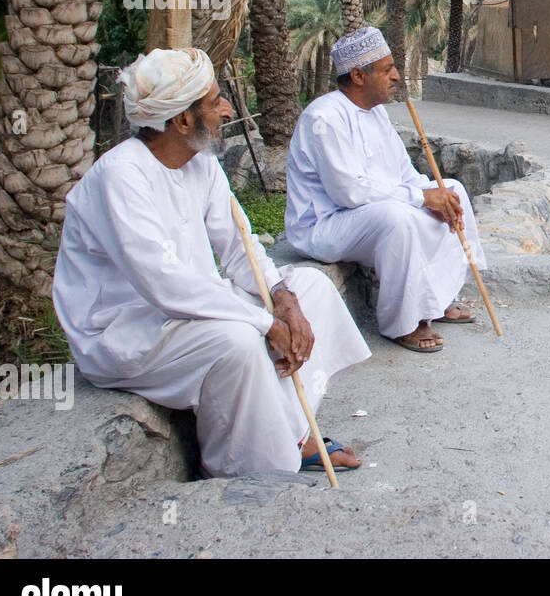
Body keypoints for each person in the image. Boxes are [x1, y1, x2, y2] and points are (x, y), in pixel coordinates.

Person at [54, 48, 371, 477]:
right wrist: (265, 323)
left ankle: (291, 431)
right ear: (183, 121)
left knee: (310, 288)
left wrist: (282, 298)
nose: (226, 109)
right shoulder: (120, 176)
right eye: (215, 101)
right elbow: (165, 285)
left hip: (185, 313)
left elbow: (239, 245)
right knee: (238, 341)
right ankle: (247, 467)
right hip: (125, 331)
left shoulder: (199, 163)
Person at [285, 27, 485, 353]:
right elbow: (347, 193)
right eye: (387, 69)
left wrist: (435, 193)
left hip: (369, 213)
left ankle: (436, 300)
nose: (396, 76)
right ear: (358, 76)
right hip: (326, 224)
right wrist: (421, 197)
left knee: (454, 190)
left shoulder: (376, 113)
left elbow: (404, 173)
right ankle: (401, 324)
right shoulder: (323, 118)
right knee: (398, 219)